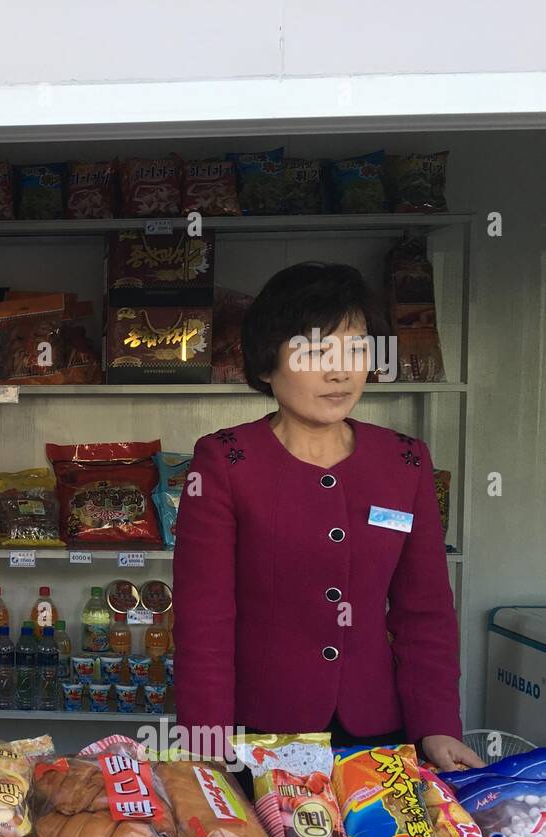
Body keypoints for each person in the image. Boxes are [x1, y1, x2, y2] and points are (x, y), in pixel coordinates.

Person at [172, 262, 483, 773]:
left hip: (381, 732)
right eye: (316, 352)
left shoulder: (405, 461)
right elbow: (204, 619)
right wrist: (207, 744)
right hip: (258, 736)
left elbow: (423, 610)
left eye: (357, 350)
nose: (340, 371)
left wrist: (438, 724)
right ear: (267, 364)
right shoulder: (226, 461)